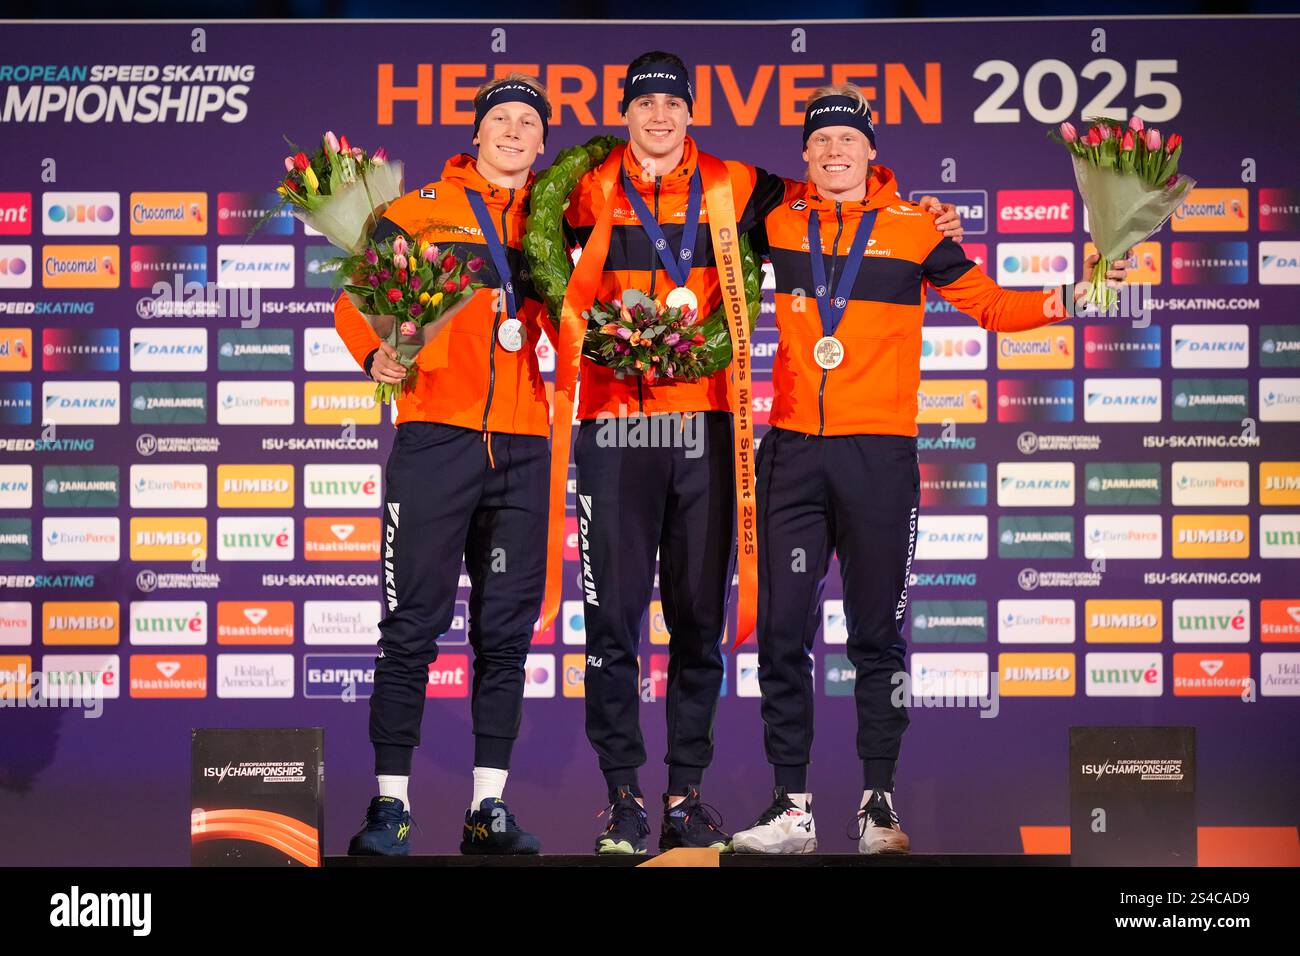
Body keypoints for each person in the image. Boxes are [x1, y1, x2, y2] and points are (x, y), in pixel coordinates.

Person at [555, 53, 962, 854]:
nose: (660, 116)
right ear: (625, 113)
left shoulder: (741, 186)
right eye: (645, 104)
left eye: (674, 103)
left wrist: (920, 209)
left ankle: (684, 797)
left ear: (690, 113)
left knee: (700, 625)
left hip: (707, 427)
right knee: (612, 625)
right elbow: (526, 247)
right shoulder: (583, 189)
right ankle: (622, 799)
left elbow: (840, 193)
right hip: (616, 424)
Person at [728, 83, 1130, 855]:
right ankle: (792, 809)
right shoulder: (773, 220)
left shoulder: (916, 227)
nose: (835, 151)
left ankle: (877, 805)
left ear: (871, 151)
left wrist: (1078, 290)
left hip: (879, 457)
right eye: (821, 140)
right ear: (804, 154)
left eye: (849, 139)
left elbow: (993, 308)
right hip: (792, 453)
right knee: (780, 634)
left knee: (877, 636)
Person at [333, 73, 556, 856]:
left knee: (506, 637)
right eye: (501, 118)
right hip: (436, 438)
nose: (514, 131)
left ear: (543, 141)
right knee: (411, 631)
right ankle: (389, 806)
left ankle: (488, 807)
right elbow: (355, 301)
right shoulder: (416, 211)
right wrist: (375, 354)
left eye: (528, 122)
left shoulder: (555, 222)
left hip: (525, 445)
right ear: (476, 132)